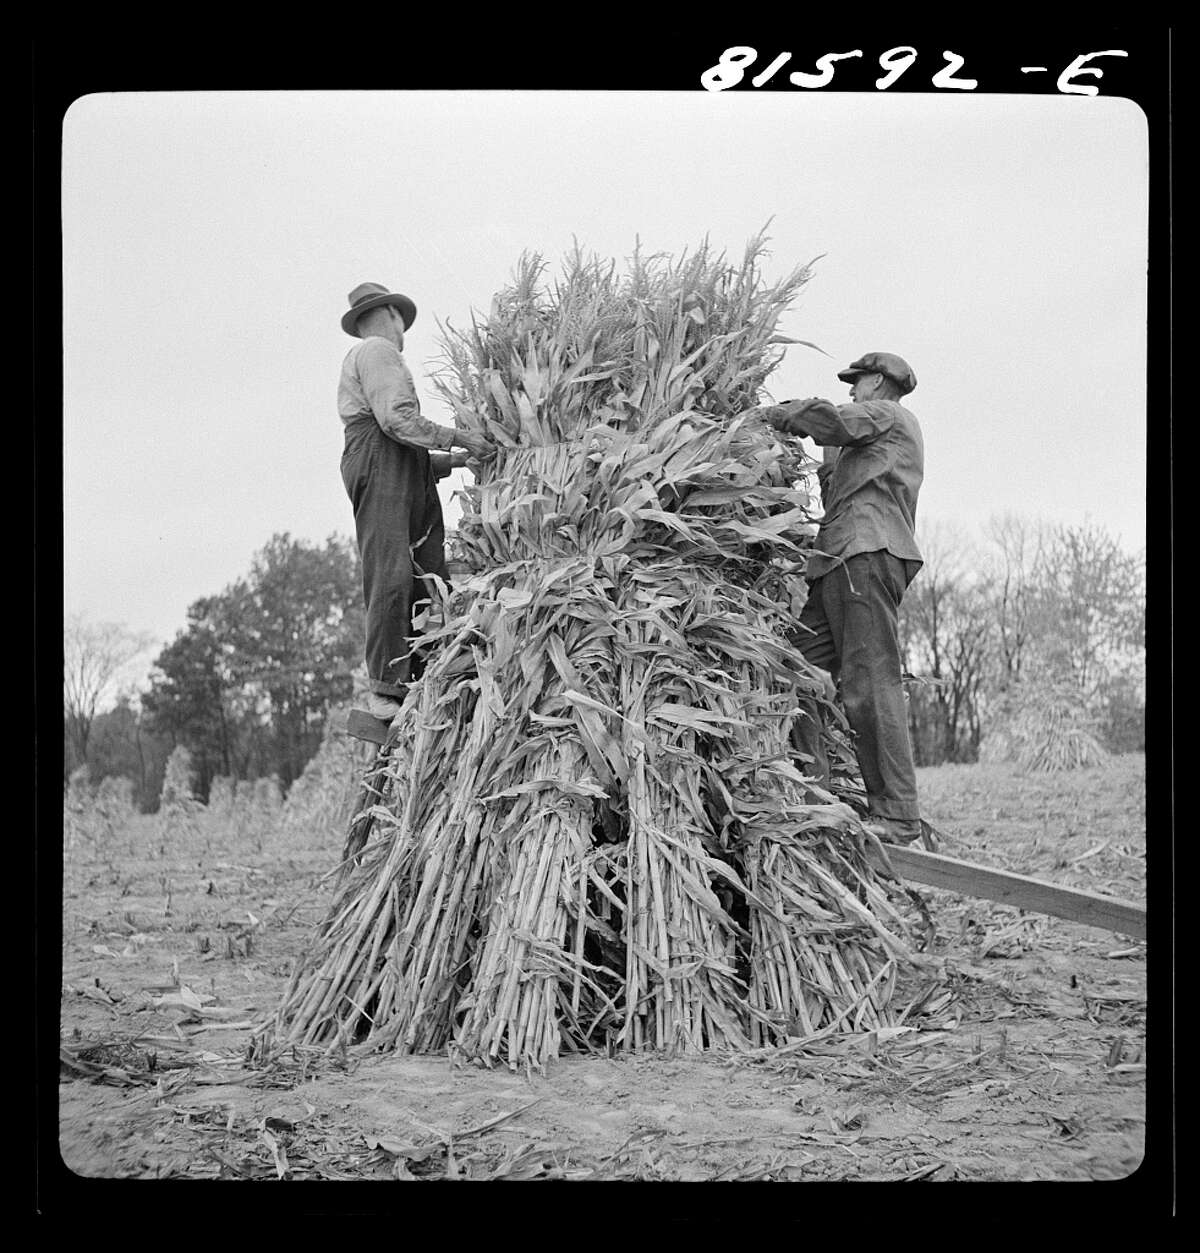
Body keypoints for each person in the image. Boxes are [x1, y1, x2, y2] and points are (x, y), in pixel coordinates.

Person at [753, 352, 925, 845]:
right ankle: (814, 794)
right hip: (836, 562)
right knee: (794, 672)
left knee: (870, 680)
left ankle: (897, 814)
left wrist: (775, 415)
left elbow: (831, 418)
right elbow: (835, 474)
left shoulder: (889, 416)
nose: (852, 389)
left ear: (879, 382)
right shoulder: (865, 444)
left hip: (866, 554)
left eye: (858, 381)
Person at [338, 281, 495, 725]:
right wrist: (459, 436)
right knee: (391, 572)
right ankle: (385, 686)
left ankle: (424, 673)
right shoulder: (377, 351)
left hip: (395, 462)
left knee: (426, 573)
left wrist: (451, 460)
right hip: (379, 458)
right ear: (391, 315)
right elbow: (396, 421)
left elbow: (405, 444)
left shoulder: (373, 356)